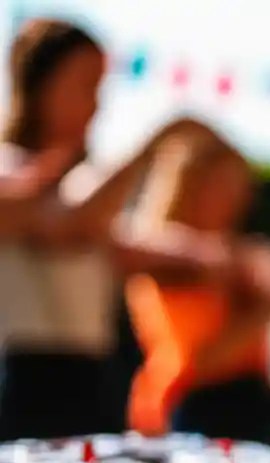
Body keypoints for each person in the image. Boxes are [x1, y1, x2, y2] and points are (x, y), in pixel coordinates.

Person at [0, 18, 232, 440]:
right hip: (26, 388)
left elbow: (124, 244)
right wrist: (156, 141)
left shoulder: (82, 183)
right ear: (38, 85)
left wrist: (208, 255)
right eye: (85, 85)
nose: (96, 105)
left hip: (93, 387)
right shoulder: (11, 169)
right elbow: (67, 224)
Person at [127, 134, 270, 442]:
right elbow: (200, 362)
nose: (235, 198)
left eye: (239, 186)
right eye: (220, 185)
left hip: (249, 402)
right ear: (188, 186)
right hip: (194, 408)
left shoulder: (240, 253)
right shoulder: (165, 257)